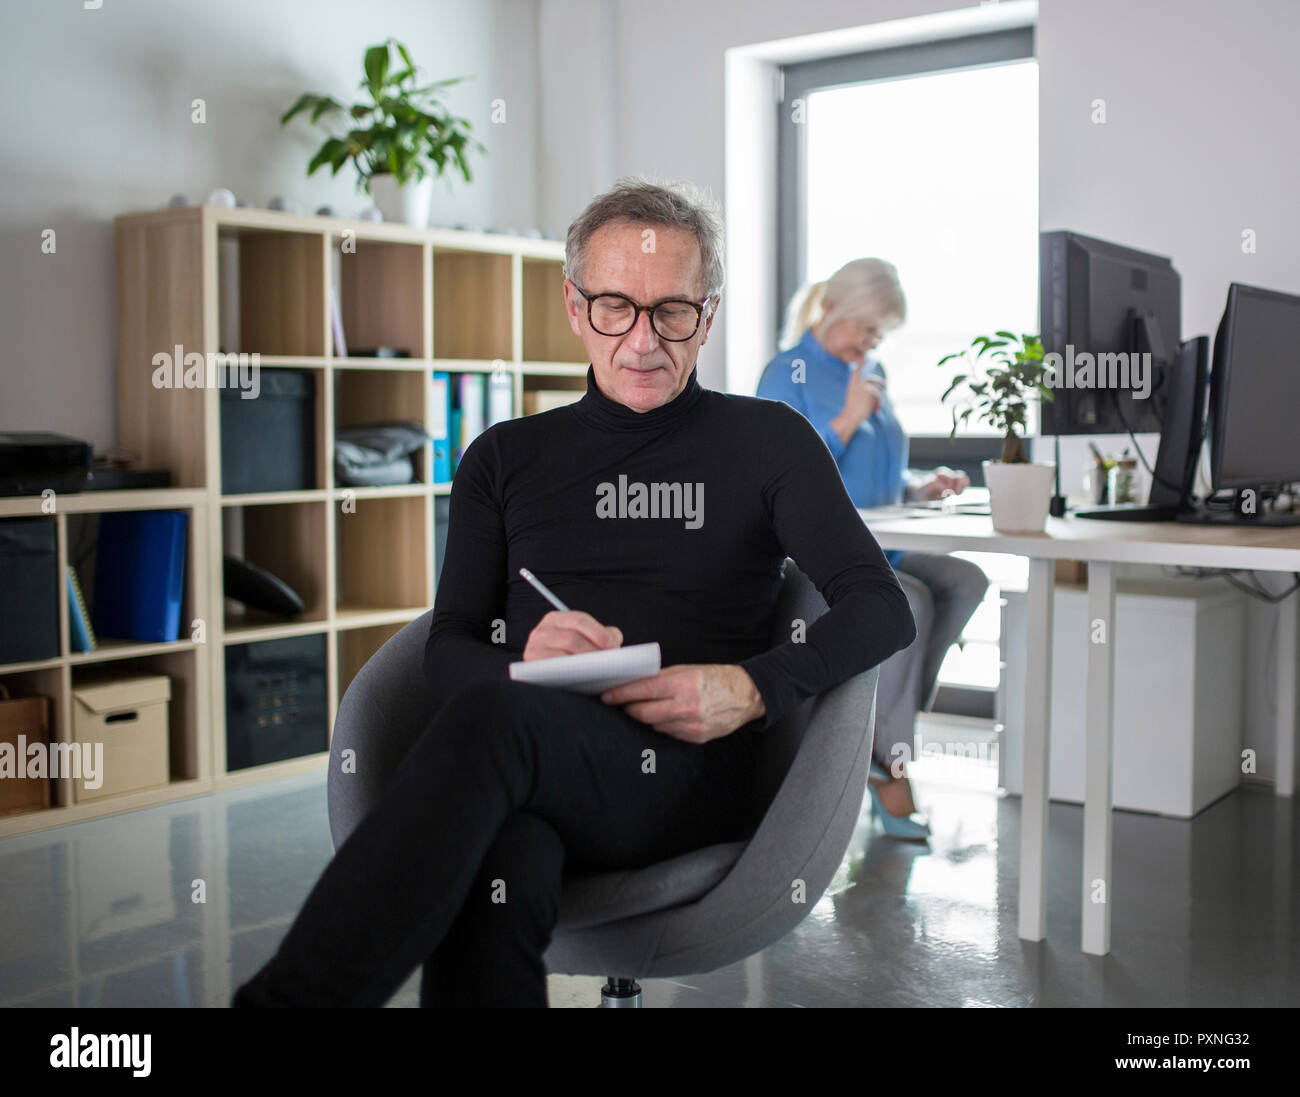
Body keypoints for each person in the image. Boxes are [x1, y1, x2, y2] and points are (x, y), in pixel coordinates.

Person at [232, 180, 915, 1007]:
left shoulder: (768, 441)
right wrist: (523, 656)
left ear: (708, 312)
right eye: (614, 307)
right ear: (572, 304)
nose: (641, 341)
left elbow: (882, 605)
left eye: (671, 311)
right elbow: (447, 652)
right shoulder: (503, 458)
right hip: (523, 768)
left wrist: (750, 686)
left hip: (681, 776)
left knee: (491, 727)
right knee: (505, 860)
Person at [756, 259, 988, 842]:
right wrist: (850, 417)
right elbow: (780, 481)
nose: (871, 343)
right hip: (823, 555)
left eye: (879, 334)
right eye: (866, 329)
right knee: (908, 603)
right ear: (833, 308)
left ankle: (884, 722)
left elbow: (872, 475)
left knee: (966, 580)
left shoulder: (871, 369)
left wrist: (919, 486)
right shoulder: (788, 373)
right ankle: (890, 759)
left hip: (887, 540)